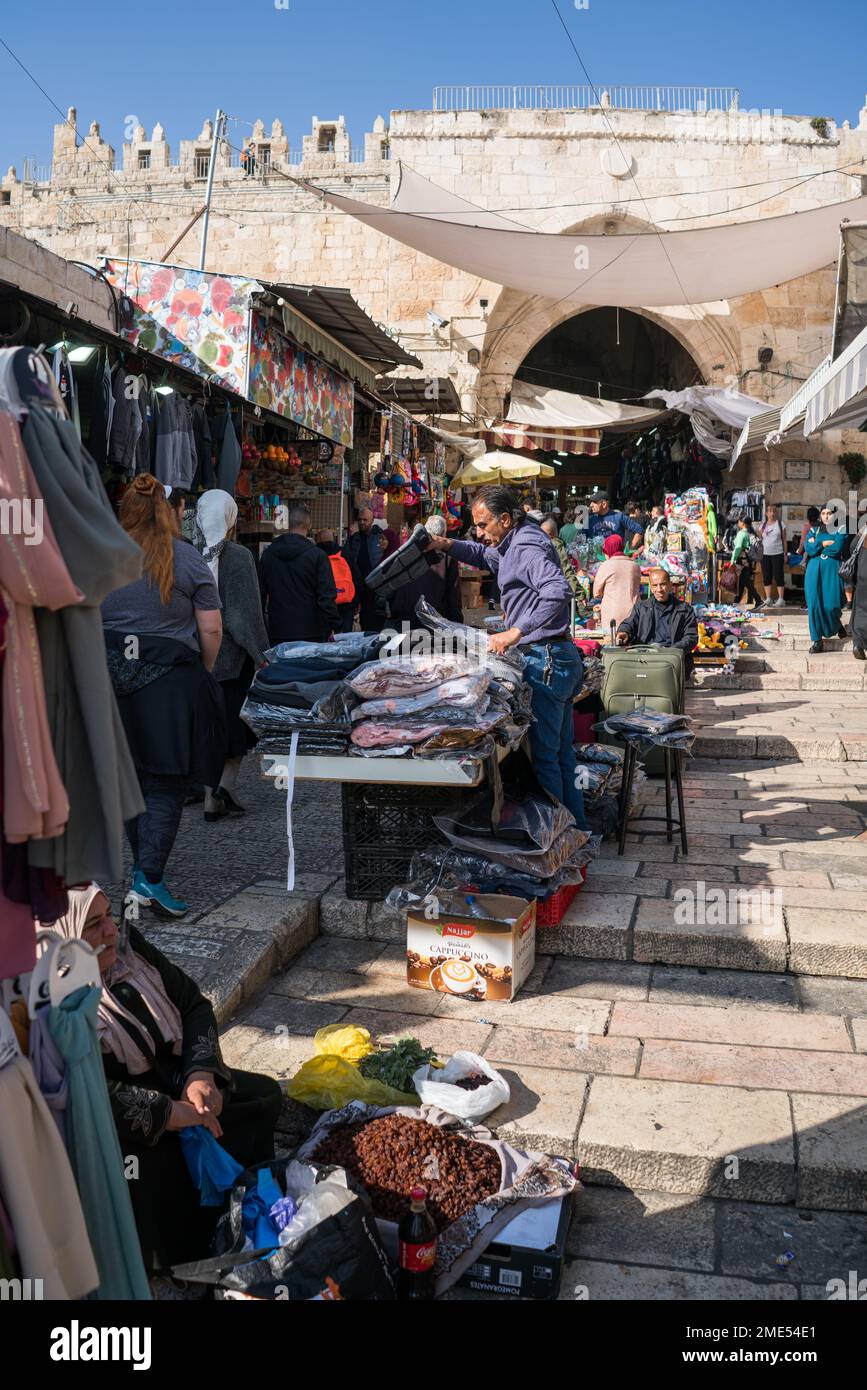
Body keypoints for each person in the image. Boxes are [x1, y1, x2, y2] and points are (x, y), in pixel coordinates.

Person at [52, 884, 282, 1274]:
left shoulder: (126, 945)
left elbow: (192, 1003)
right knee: (147, 1172)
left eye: (111, 914)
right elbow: (81, 1092)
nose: (112, 929)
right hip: (115, 1121)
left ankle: (245, 1203)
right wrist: (168, 1114)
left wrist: (200, 1076)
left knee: (261, 1097)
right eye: (93, 924)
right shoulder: (52, 1002)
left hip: (174, 1078)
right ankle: (187, 1253)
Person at [427, 486, 587, 829]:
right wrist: (447, 545)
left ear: (505, 518)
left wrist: (517, 631)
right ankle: (577, 829)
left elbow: (558, 589)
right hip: (555, 656)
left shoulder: (526, 545)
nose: (480, 533)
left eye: (483, 525)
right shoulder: (511, 542)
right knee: (561, 754)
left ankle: (559, 836)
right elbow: (486, 557)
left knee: (546, 758)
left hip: (545, 658)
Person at [101, 474, 225, 919]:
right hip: (170, 682)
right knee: (167, 781)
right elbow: (210, 627)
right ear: (170, 512)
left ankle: (144, 873)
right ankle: (148, 877)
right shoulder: (186, 557)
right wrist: (203, 674)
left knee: (132, 780)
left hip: (109, 680)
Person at [196, 490, 270, 821]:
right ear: (230, 518)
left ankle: (211, 796)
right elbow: (245, 615)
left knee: (209, 731)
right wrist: (260, 653)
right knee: (234, 728)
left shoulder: (191, 554)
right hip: (231, 661)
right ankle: (224, 787)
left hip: (197, 660)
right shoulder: (239, 557)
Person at [260, 503, 340, 645]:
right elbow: (326, 598)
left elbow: (260, 594)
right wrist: (335, 627)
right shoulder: (318, 556)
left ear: (288, 524)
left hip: (278, 630)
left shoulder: (268, 555)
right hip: (311, 633)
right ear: (309, 526)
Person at [617, 567, 699, 675]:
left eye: (663, 584)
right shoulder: (641, 607)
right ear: (651, 588)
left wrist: (670, 651)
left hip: (672, 660)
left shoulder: (684, 609)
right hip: (645, 658)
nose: (659, 589)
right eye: (655, 585)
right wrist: (624, 632)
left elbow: (691, 637)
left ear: (670, 585)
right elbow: (630, 623)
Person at [388, 513, 463, 631]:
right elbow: (453, 595)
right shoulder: (447, 557)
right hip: (431, 621)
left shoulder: (407, 549)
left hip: (404, 619)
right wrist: (457, 625)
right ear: (443, 535)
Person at [803, 505, 847, 653]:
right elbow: (808, 549)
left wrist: (816, 546)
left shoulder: (840, 530)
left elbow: (837, 548)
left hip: (831, 571)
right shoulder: (814, 530)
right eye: (823, 513)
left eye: (829, 513)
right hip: (813, 571)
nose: (826, 516)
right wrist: (822, 544)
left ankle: (837, 625)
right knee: (814, 606)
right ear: (820, 516)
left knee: (831, 605)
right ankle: (817, 641)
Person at [342, 506, 389, 631]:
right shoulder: (354, 539)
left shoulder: (380, 536)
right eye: (360, 520)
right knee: (362, 619)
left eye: (365, 520)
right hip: (358, 584)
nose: (362, 522)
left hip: (375, 584)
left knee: (373, 619)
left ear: (372, 520)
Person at [593, 535, 641, 641]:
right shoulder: (635, 566)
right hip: (633, 614)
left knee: (612, 647)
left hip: (612, 616)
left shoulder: (606, 566)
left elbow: (596, 593)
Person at [316, 527, 361, 633]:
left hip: (324, 605)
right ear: (334, 539)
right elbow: (357, 578)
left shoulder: (315, 555)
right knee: (344, 638)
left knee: (324, 641)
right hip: (346, 603)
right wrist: (355, 602)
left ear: (318, 540)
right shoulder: (345, 553)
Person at [541, 515, 584, 605]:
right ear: (555, 532)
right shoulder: (556, 544)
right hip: (556, 591)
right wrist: (580, 594)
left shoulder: (537, 544)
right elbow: (566, 570)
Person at [731, 518, 763, 609]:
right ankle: (736, 603)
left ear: (743, 523)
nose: (738, 522)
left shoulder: (741, 534)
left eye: (739, 521)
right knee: (742, 582)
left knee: (746, 582)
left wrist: (732, 560)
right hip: (747, 561)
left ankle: (758, 600)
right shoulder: (749, 533)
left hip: (741, 562)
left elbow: (738, 548)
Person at [760, 504, 786, 607]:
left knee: (778, 576)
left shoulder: (780, 524)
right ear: (766, 513)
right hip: (765, 554)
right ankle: (768, 598)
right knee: (767, 576)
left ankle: (781, 599)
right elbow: (760, 540)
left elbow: (784, 540)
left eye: (774, 511)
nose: (772, 513)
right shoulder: (762, 525)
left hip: (778, 553)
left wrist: (785, 554)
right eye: (770, 511)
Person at [848, 525, 867, 660]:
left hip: (863, 575)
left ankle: (858, 644)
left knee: (860, 609)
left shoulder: (864, 531)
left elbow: (852, 547)